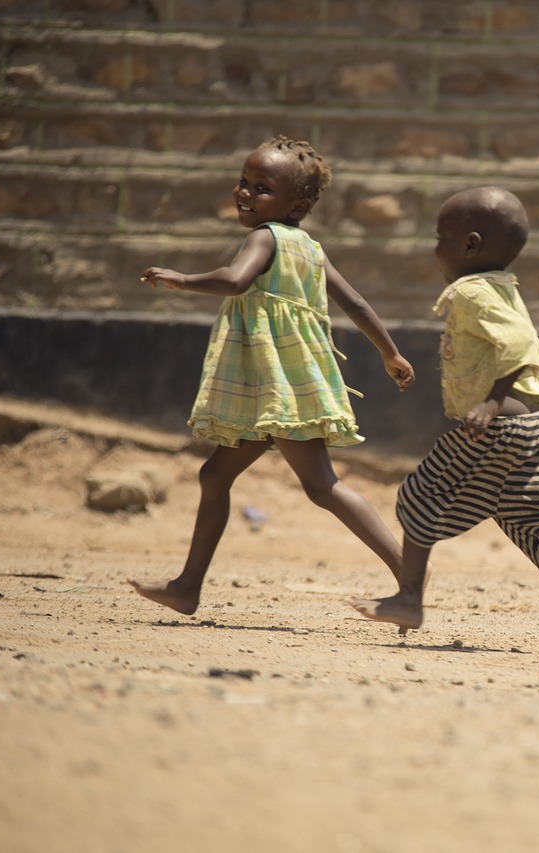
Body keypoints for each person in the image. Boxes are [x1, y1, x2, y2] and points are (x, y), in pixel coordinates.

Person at [127, 135, 415, 615]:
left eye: (261, 188)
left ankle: (411, 578)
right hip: (271, 384)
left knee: (322, 485)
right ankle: (187, 587)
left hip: (275, 386)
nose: (244, 193)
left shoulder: (265, 238)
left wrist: (183, 279)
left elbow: (237, 280)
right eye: (244, 181)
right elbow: (357, 304)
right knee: (215, 474)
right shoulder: (311, 249)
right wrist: (390, 353)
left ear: (297, 204)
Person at [350, 186, 539, 657]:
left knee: (420, 497)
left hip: (497, 425)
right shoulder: (504, 287)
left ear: (469, 245)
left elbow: (519, 344)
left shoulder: (470, 291)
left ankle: (409, 599)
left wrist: (490, 402)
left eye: (440, 236)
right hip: (535, 427)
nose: (434, 247)